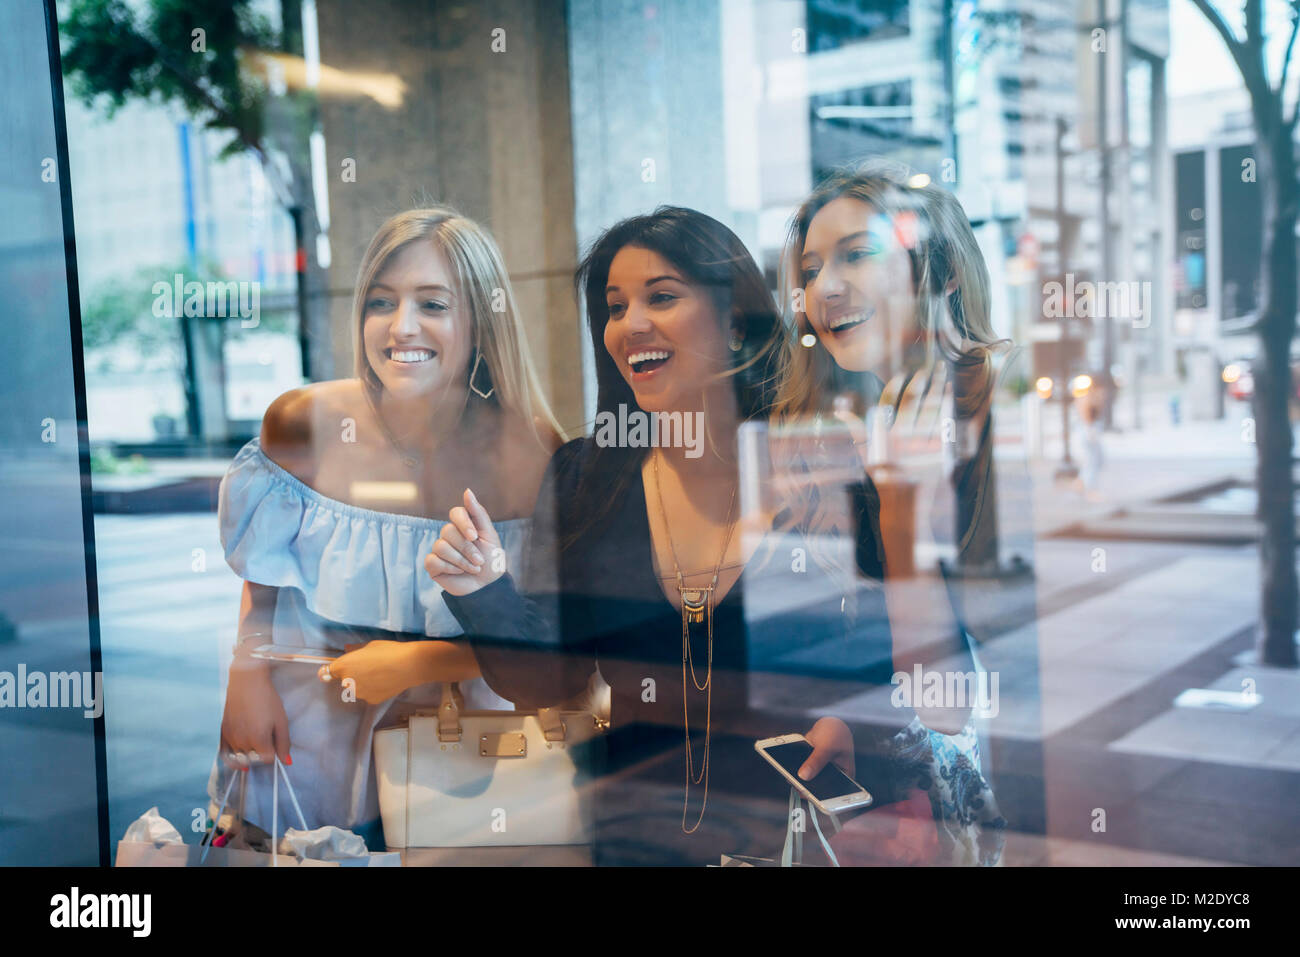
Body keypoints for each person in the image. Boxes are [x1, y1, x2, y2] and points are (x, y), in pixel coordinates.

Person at [427, 206, 971, 866]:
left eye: (662, 296)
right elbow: (553, 679)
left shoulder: (826, 463)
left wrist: (853, 725)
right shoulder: (588, 477)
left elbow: (933, 679)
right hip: (636, 841)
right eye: (615, 305)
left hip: (810, 844)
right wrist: (487, 590)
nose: (631, 325)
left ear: (735, 319)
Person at [212, 206, 562, 847]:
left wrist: (412, 664)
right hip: (307, 725)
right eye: (381, 302)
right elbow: (264, 577)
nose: (402, 327)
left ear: (480, 320)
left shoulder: (533, 451)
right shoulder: (301, 421)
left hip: (464, 745)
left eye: (433, 304)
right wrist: (245, 680)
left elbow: (546, 642)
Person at [774, 162, 1014, 864]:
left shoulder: (988, 413)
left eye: (857, 253)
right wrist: (858, 722)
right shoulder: (884, 420)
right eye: (811, 267)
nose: (824, 286)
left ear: (939, 271)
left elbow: (951, 691)